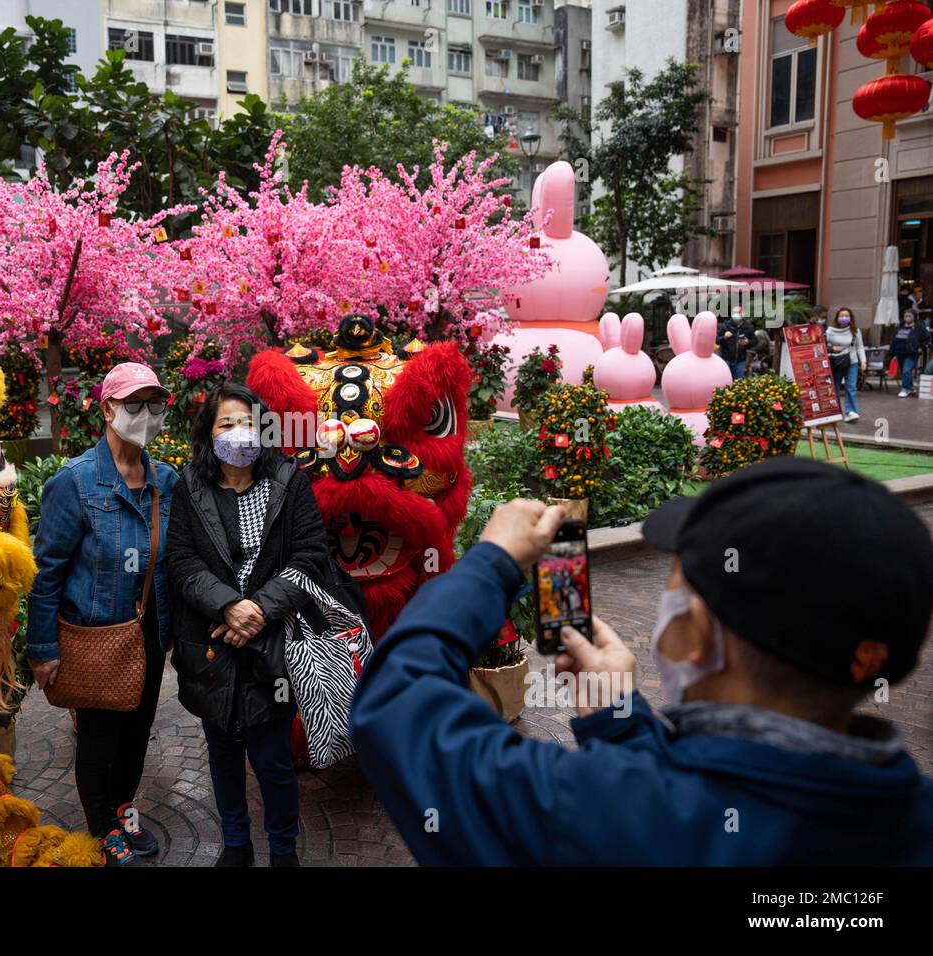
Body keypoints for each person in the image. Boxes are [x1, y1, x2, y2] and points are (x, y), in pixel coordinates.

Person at [349, 458, 933, 865]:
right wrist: (622, 724)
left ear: (700, 636)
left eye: (674, 594)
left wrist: (492, 563)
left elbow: (398, 699)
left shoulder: (587, 811)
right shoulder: (911, 820)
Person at [166, 383, 333, 868]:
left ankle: (283, 850)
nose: (237, 433)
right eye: (225, 424)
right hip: (211, 644)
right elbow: (181, 560)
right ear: (208, 432)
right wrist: (225, 606)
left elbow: (309, 556)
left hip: (273, 642)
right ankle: (235, 844)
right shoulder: (190, 486)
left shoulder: (288, 480)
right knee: (221, 750)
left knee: (274, 759)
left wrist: (257, 609)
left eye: (246, 422)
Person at [26, 362, 179, 866]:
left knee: (137, 733)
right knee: (97, 737)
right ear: (108, 408)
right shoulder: (75, 482)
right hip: (96, 637)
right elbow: (46, 574)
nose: (146, 415)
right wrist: (43, 649)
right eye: (134, 403)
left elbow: (177, 562)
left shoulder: (167, 481)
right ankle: (101, 829)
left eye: (155, 404)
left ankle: (123, 811)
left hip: (150, 636)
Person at [826, 307, 865, 422]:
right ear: (837, 318)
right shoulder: (829, 331)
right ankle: (835, 411)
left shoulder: (855, 331)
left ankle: (851, 412)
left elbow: (860, 347)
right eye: (841, 316)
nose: (844, 318)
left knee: (851, 387)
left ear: (851, 318)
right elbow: (823, 345)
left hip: (852, 362)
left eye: (846, 316)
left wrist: (863, 361)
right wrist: (832, 349)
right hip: (835, 362)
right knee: (835, 388)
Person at [891, 309, 930, 397]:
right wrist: (892, 354)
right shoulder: (899, 327)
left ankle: (905, 389)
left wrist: (921, 347)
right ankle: (911, 388)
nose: (907, 317)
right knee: (905, 372)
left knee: (906, 370)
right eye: (906, 316)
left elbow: (928, 338)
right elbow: (893, 340)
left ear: (914, 317)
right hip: (899, 353)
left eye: (909, 316)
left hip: (912, 353)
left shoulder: (919, 327)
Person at [717, 308, 756, 379]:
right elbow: (717, 340)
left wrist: (748, 342)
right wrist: (724, 337)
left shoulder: (749, 327)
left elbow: (755, 341)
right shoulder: (726, 326)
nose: (736, 315)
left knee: (738, 384)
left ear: (743, 314)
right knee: (724, 382)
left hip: (741, 362)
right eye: (734, 313)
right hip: (726, 361)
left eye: (738, 313)